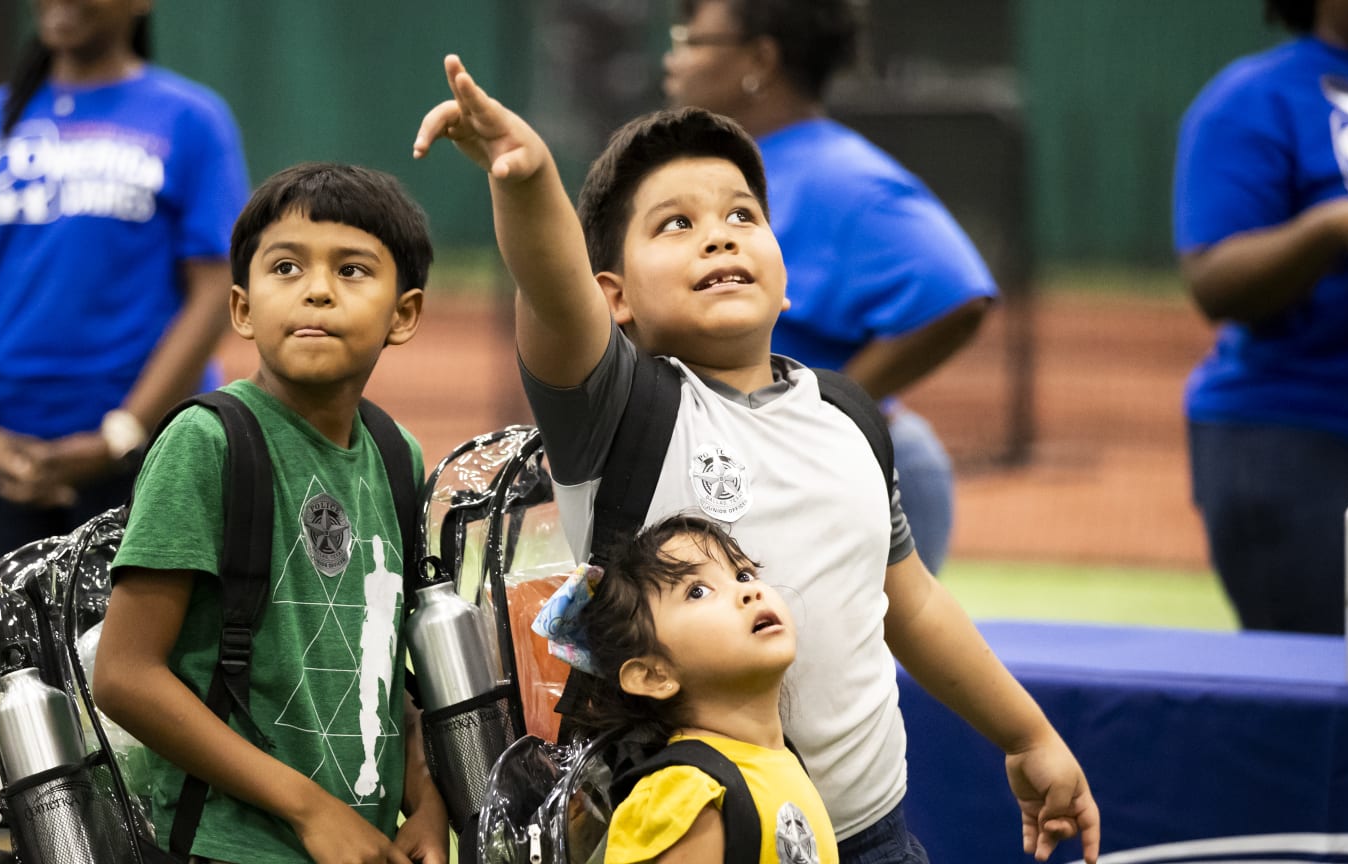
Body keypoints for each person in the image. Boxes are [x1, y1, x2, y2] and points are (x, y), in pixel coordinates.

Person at [414, 55, 1099, 864]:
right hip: (710, 838)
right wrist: (526, 183)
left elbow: (909, 603)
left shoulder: (850, 413)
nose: (718, 234)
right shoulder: (619, 411)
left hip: (876, 834)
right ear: (615, 297)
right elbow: (554, 289)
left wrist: (1027, 735)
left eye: (743, 216)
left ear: (785, 282)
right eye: (675, 224)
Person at [91, 163, 448, 864]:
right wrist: (311, 810)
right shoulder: (207, 442)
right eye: (285, 267)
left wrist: (429, 805)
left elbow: (380, 665)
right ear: (243, 307)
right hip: (230, 848)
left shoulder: (395, 454)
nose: (316, 289)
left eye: (352, 270)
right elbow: (124, 675)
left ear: (402, 315)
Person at [0, 0, 250, 591]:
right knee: (16, 674)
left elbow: (214, 290)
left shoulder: (191, 118)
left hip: (148, 455)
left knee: (127, 669)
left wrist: (123, 432)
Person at [662, 0, 996, 573]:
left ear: (759, 59)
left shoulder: (837, 175)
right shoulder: (729, 170)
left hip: (865, 473)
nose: (674, 59)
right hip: (762, 475)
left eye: (694, 41)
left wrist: (824, 411)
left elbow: (957, 292)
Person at [1173, 0, 1348, 636]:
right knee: (1322, 703)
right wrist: (1329, 226)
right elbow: (1214, 284)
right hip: (1298, 436)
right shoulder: (1254, 97)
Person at [571, 513, 839, 863]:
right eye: (697, 591)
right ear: (653, 675)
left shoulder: (778, 758)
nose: (748, 591)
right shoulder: (686, 796)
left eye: (743, 574)